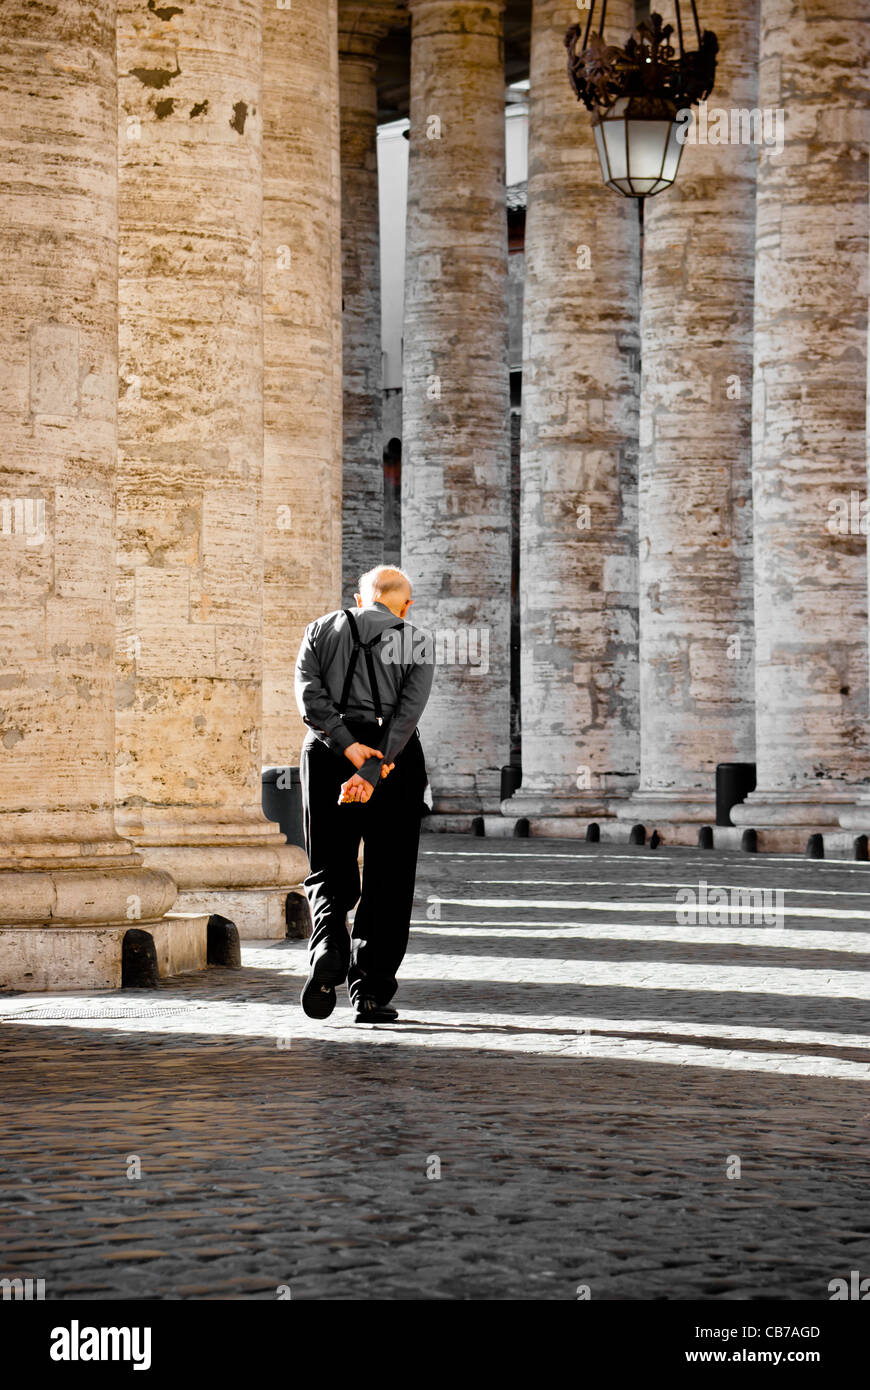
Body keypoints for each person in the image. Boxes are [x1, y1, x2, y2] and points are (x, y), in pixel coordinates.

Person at [294, 565, 435, 1023]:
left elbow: (309, 697)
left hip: (328, 755)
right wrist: (373, 767)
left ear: (359, 599)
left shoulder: (320, 628)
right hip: (394, 762)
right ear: (405, 605)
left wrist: (347, 747)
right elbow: (408, 713)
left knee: (329, 860)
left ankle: (329, 943)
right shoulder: (415, 639)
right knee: (390, 877)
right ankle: (371, 991)